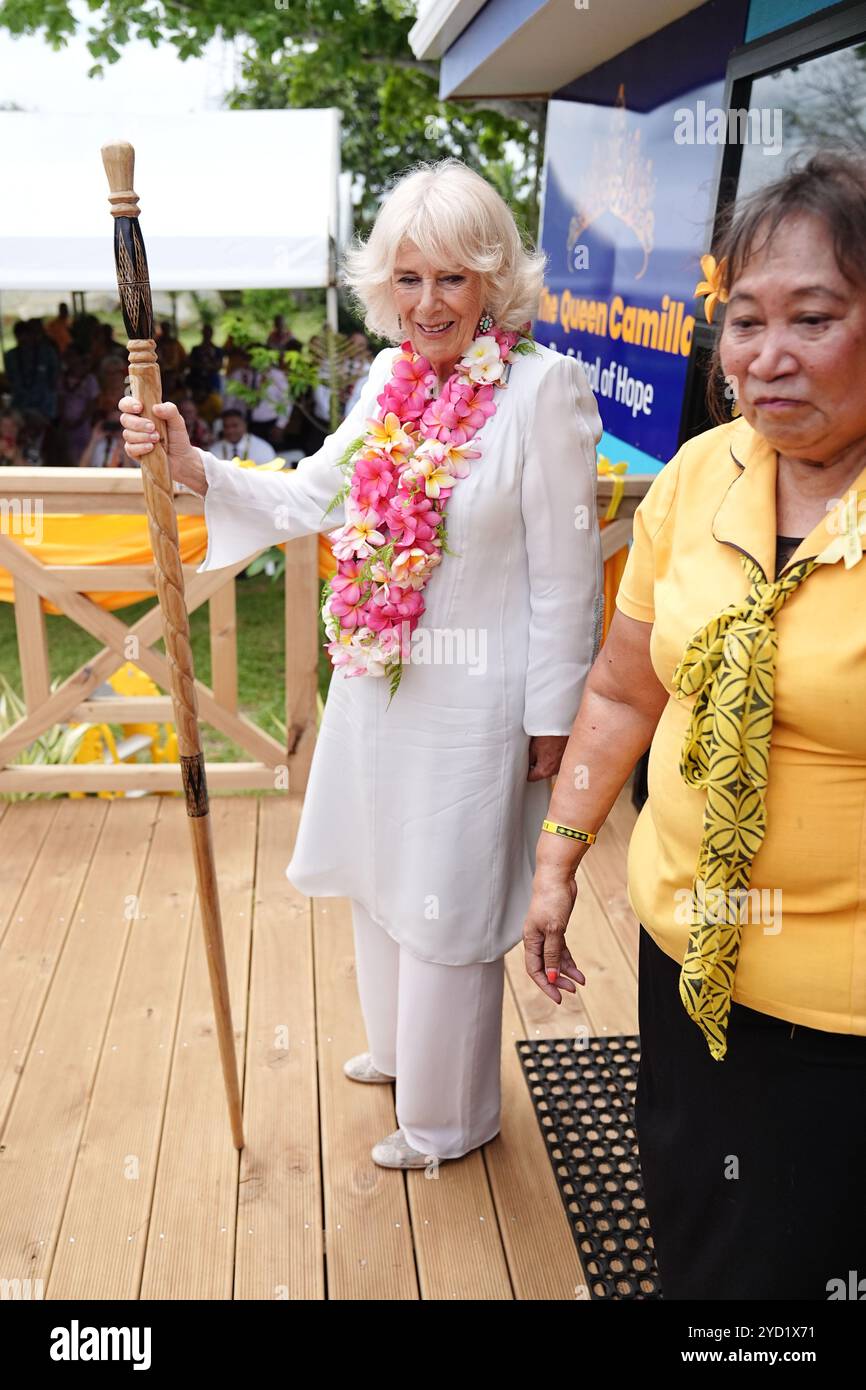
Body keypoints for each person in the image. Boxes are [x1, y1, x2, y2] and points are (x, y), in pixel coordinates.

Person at [118, 158, 604, 1170]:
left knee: (450, 894)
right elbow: (310, 498)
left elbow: (566, 577)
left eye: (453, 279)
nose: (427, 303)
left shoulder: (544, 391)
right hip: (380, 686)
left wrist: (554, 719)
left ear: (492, 282)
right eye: (408, 279)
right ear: (386, 287)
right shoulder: (388, 379)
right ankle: (398, 1053)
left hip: (479, 709)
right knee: (387, 875)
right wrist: (187, 458)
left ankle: (450, 1115)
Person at [521, 151, 866, 1300]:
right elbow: (624, 689)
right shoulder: (699, 474)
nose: (765, 357)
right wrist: (559, 854)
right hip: (685, 960)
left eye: (811, 317)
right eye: (742, 320)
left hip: (840, 1022)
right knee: (698, 1234)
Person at [208, 408, 275, 463]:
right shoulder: (214, 451)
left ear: (245, 425)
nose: (230, 431)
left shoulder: (262, 448)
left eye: (235, 426)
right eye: (226, 426)